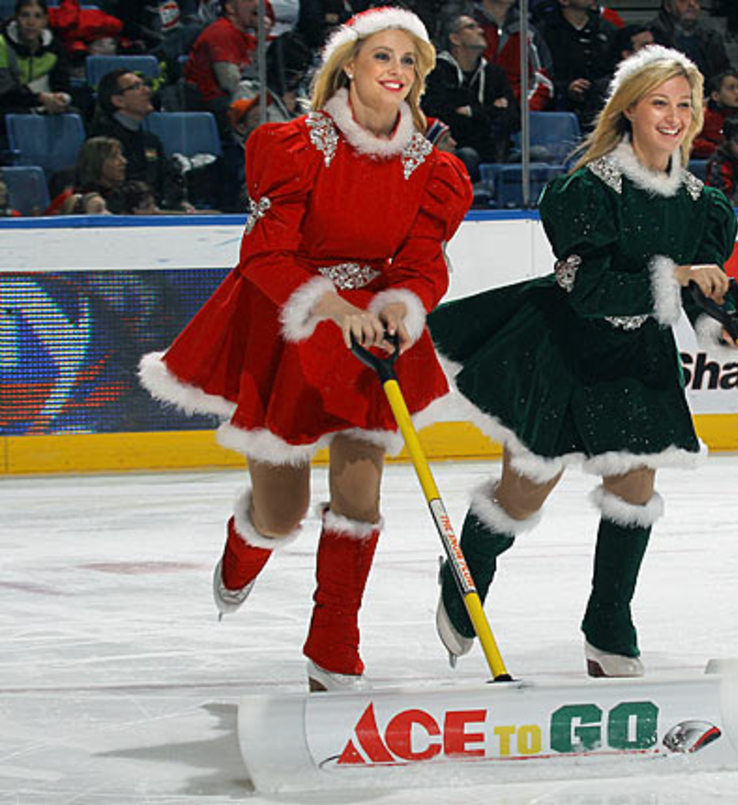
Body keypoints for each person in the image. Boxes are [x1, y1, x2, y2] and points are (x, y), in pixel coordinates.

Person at [138, 7, 473, 692]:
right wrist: (334, 306)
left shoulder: (433, 169)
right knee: (282, 510)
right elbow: (266, 253)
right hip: (291, 324)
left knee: (360, 492)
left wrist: (398, 305)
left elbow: (423, 262)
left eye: (408, 61)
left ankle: (334, 644)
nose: (396, 72)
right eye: (383, 57)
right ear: (348, 64)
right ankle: (246, 543)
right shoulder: (295, 145)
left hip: (370, 331)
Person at [426, 45, 738, 678]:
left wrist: (717, 314)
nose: (675, 115)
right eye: (661, 102)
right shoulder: (586, 189)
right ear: (629, 108)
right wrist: (679, 274)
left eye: (685, 104)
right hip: (561, 350)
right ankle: (470, 567)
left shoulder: (702, 202)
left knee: (634, 489)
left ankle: (608, 621)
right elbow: (589, 290)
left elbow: (699, 288)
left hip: (637, 358)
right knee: (522, 495)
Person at [423, 12, 517, 176]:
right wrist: (490, 110)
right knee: (468, 156)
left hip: (497, 151)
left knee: (539, 154)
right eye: (471, 27)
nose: (480, 31)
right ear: (455, 38)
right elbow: (442, 118)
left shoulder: (495, 74)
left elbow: (514, 118)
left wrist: (472, 111)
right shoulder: (437, 73)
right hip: (457, 149)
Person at [92, 69, 194, 213]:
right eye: (136, 87)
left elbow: (168, 176)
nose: (147, 91)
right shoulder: (102, 141)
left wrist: (180, 202)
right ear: (118, 100)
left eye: (145, 85)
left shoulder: (150, 140)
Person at [537, 0, 618, 129]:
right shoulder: (544, 31)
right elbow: (539, 72)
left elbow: (616, 67)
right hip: (557, 108)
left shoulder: (607, 29)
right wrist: (565, 87)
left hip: (602, 107)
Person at [0, 0, 73, 118]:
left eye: (37, 16)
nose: (31, 22)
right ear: (16, 19)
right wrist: (40, 98)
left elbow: (62, 85)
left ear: (45, 21)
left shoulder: (55, 48)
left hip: (43, 103)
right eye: (25, 15)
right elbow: (3, 93)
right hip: (10, 106)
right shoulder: (1, 44)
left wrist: (62, 99)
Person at [691, 68, 738, 159]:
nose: (737, 92)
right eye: (731, 88)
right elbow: (693, 142)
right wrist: (721, 150)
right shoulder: (704, 117)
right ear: (716, 96)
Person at [648, 0, 732, 81]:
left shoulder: (711, 37)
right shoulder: (653, 36)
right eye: (683, 0)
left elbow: (723, 71)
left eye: (696, 1)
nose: (692, 4)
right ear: (668, 6)